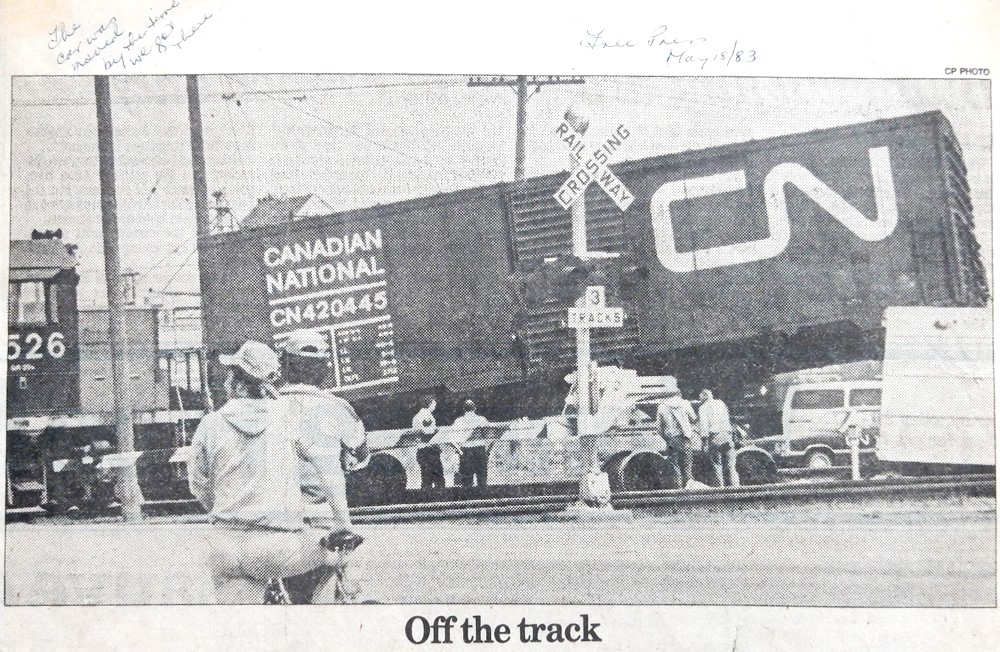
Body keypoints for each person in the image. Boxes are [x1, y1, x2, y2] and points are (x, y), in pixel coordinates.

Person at [188, 340, 347, 604]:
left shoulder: (210, 423)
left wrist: (222, 509)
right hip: (280, 549)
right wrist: (343, 523)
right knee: (337, 551)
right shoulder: (288, 418)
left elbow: (198, 484)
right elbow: (328, 469)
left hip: (225, 545)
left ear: (236, 383)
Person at [278, 329, 368, 531]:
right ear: (323, 369)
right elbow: (362, 456)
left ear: (285, 365)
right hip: (323, 518)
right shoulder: (339, 407)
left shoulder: (266, 405)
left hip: (276, 518)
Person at [655, 376, 699, 488]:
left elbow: (659, 428)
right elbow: (694, 418)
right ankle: (689, 489)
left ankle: (678, 490)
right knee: (687, 465)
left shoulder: (662, 406)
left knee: (675, 466)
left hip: (671, 440)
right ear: (678, 393)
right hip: (685, 439)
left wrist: (666, 439)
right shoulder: (685, 403)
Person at [698, 389, 739, 487]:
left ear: (703, 398)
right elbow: (727, 419)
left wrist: (704, 443)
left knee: (717, 466)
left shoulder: (703, 408)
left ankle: (720, 490)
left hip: (715, 438)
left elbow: (704, 427)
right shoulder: (721, 403)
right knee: (731, 467)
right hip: (727, 436)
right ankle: (736, 489)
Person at [452, 399, 490, 487]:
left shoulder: (459, 421)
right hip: (480, 449)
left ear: (464, 409)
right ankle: (483, 498)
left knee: (467, 480)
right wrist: (488, 450)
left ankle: (469, 498)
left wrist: (459, 450)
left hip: (466, 450)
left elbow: (451, 438)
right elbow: (490, 436)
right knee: (482, 478)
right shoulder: (481, 419)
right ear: (475, 408)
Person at [413, 396, 444, 488]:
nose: (435, 406)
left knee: (426, 478)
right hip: (429, 449)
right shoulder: (426, 415)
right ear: (430, 404)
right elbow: (426, 432)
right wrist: (436, 432)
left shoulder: (417, 416)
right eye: (434, 404)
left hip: (422, 450)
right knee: (438, 479)